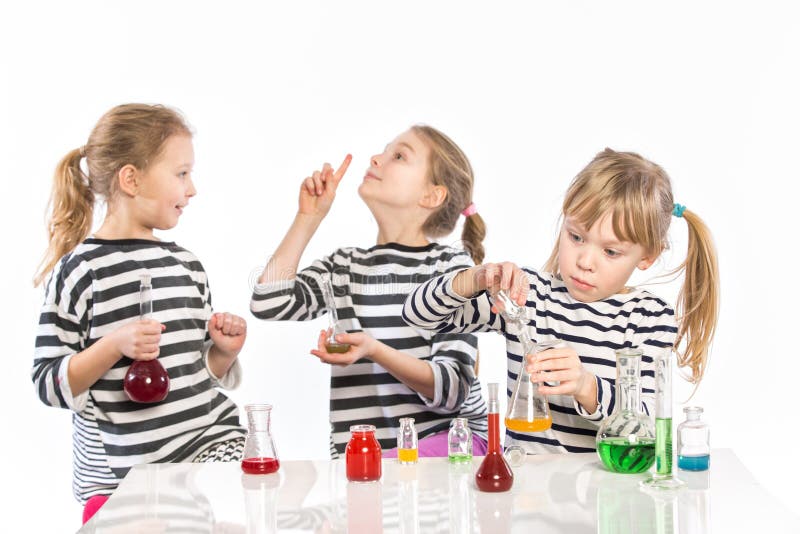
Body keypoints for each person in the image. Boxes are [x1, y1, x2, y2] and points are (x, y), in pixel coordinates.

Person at [403, 148, 719, 453]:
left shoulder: (648, 318)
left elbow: (646, 426)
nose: (585, 260)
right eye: (576, 236)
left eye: (610, 251)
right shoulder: (529, 297)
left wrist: (585, 386)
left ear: (647, 256)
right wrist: (473, 278)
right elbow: (418, 315)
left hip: (605, 497)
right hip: (527, 495)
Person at [32, 104, 248, 521]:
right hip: (122, 475)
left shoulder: (187, 266)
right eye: (181, 174)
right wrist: (113, 346)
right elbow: (47, 381)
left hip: (205, 447)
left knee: (259, 479)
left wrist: (223, 352)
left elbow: (196, 374)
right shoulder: (81, 271)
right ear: (131, 179)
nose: (193, 188)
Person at [250, 125, 489, 457]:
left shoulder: (449, 268)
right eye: (384, 151)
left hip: (444, 454)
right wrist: (308, 218)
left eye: (399, 156)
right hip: (369, 465)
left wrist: (375, 350)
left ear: (431, 196)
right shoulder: (344, 267)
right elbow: (268, 301)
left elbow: (454, 391)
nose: (376, 158)